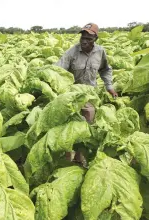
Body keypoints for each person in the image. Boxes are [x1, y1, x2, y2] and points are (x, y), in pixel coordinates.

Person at [56, 23, 118, 164]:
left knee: (86, 126)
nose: (84, 41)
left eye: (88, 39)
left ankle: (79, 158)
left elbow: (105, 69)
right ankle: (66, 159)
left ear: (95, 38)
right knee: (67, 127)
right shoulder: (72, 52)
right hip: (71, 94)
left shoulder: (100, 52)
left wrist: (109, 86)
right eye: (82, 37)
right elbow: (59, 68)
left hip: (89, 95)